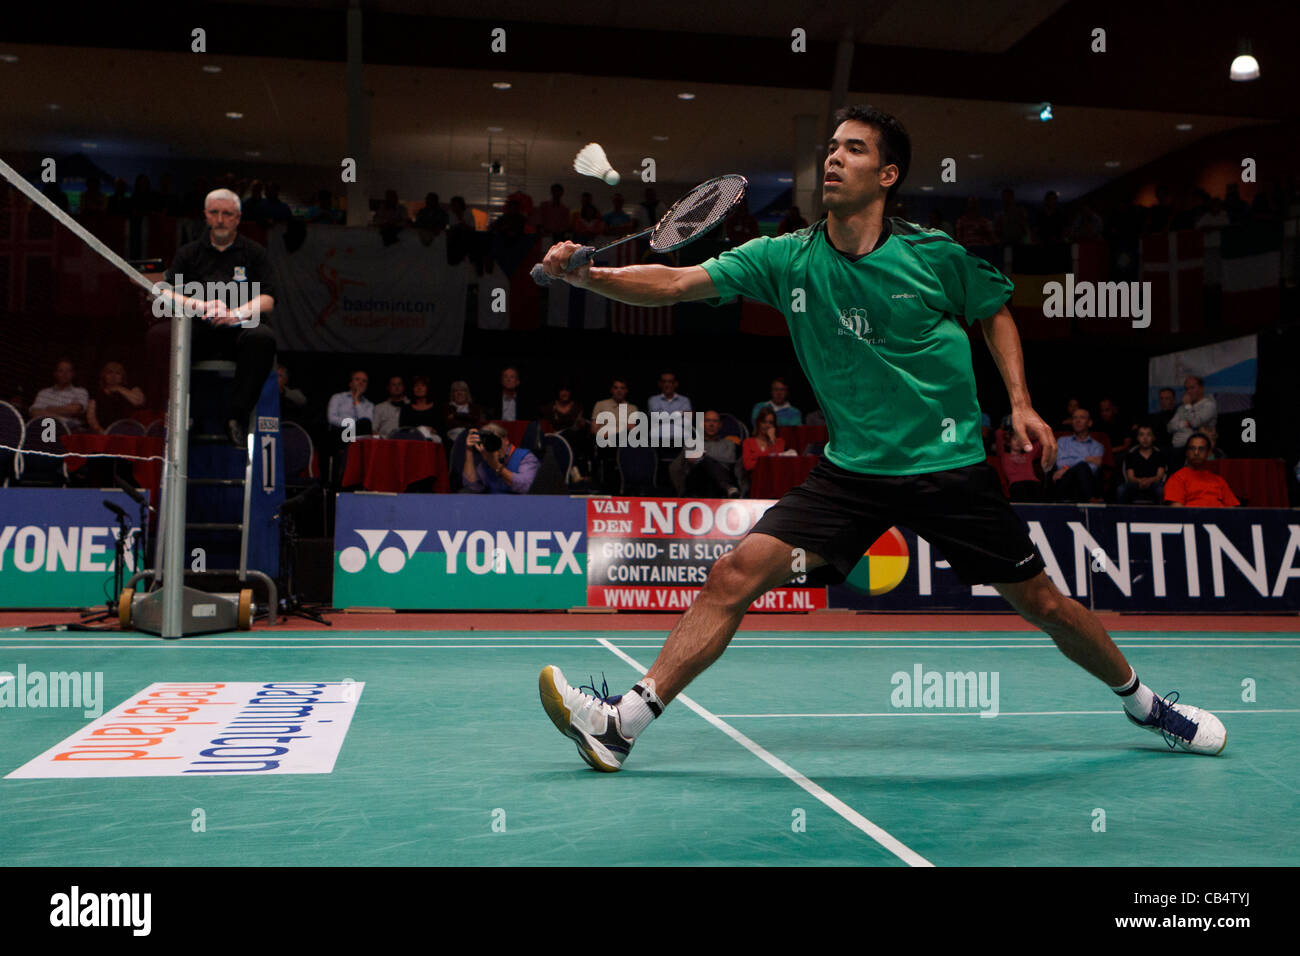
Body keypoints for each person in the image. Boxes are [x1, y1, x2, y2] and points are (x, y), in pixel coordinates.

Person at [535, 103, 1227, 771]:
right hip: (853, 473)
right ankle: (622, 725)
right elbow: (678, 281)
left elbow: (994, 311)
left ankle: (1145, 705)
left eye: (854, 149)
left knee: (1045, 605)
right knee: (733, 575)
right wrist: (591, 276)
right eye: (831, 147)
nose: (834, 157)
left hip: (948, 469)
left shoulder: (933, 256)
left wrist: (1020, 403)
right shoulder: (785, 258)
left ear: (888, 176)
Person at [151, 188, 277, 446]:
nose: (220, 219)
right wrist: (201, 306)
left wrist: (235, 314)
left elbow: (268, 299)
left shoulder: (255, 253)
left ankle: (236, 417)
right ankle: (182, 414)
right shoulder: (188, 253)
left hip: (239, 330)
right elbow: (166, 293)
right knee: (160, 336)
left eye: (227, 214)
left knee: (263, 338)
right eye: (214, 213)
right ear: (206, 216)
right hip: (199, 329)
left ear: (237, 218)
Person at [668, 411, 743, 498]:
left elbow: (729, 462)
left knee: (705, 461)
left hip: (718, 487)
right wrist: (681, 491)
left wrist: (702, 456)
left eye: (715, 421)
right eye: (707, 421)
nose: (711, 424)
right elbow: (674, 468)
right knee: (699, 465)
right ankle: (729, 488)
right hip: (697, 484)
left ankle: (726, 486)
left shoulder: (729, 443)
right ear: (702, 424)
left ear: (720, 425)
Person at [1164, 434, 1239, 507]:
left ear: (1208, 453)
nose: (1196, 453)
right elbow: (1177, 512)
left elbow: (1232, 511)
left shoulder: (1218, 480)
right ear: (1186, 452)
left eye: (1201, 449)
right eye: (1192, 448)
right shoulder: (1177, 478)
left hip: (1219, 519)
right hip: (1191, 519)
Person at [461, 423, 538, 494]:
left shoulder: (525, 457)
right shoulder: (486, 456)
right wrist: (469, 450)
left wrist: (496, 466)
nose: (492, 444)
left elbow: (527, 487)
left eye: (494, 440)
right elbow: (473, 486)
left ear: (506, 440)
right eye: (487, 441)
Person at [1051, 407, 1105, 502]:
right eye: (1075, 418)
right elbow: (1060, 464)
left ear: (1089, 423)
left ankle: (1090, 499)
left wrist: (1067, 467)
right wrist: (1086, 458)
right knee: (1082, 466)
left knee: (1083, 468)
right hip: (1067, 481)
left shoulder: (1097, 446)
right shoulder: (1062, 441)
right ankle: (1091, 499)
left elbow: (1093, 469)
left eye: (1082, 417)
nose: (1077, 421)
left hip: (1087, 481)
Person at [30, 359, 90, 431]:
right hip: (44, 430)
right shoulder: (44, 393)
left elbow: (75, 410)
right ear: (55, 373)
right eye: (61, 371)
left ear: (73, 374)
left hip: (70, 431)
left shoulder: (81, 392)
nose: (65, 374)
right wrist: (61, 414)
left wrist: (48, 409)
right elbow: (34, 412)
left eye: (68, 371)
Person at [86, 361, 146, 433]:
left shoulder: (132, 389)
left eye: (117, 373)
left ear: (122, 376)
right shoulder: (97, 394)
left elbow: (139, 402)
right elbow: (91, 418)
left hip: (128, 430)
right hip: (104, 432)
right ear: (104, 376)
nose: (113, 376)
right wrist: (103, 432)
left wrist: (119, 389)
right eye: (110, 372)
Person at [1116, 424, 1168, 504]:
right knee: (1121, 489)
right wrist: (1140, 481)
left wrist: (1148, 481)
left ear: (1153, 438)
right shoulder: (1131, 455)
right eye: (1141, 435)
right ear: (1137, 438)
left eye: (1148, 435)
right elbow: (1130, 477)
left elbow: (1159, 476)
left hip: (1154, 483)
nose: (1145, 438)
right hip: (1135, 483)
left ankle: (1161, 514)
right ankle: (1122, 515)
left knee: (1161, 490)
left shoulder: (1159, 455)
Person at [743, 408, 786, 472]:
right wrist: (767, 459)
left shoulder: (780, 442)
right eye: (764, 422)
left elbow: (777, 464)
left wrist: (772, 441)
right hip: (755, 478)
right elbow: (748, 466)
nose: (767, 425)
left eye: (770, 422)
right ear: (758, 423)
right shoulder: (748, 442)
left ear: (774, 425)